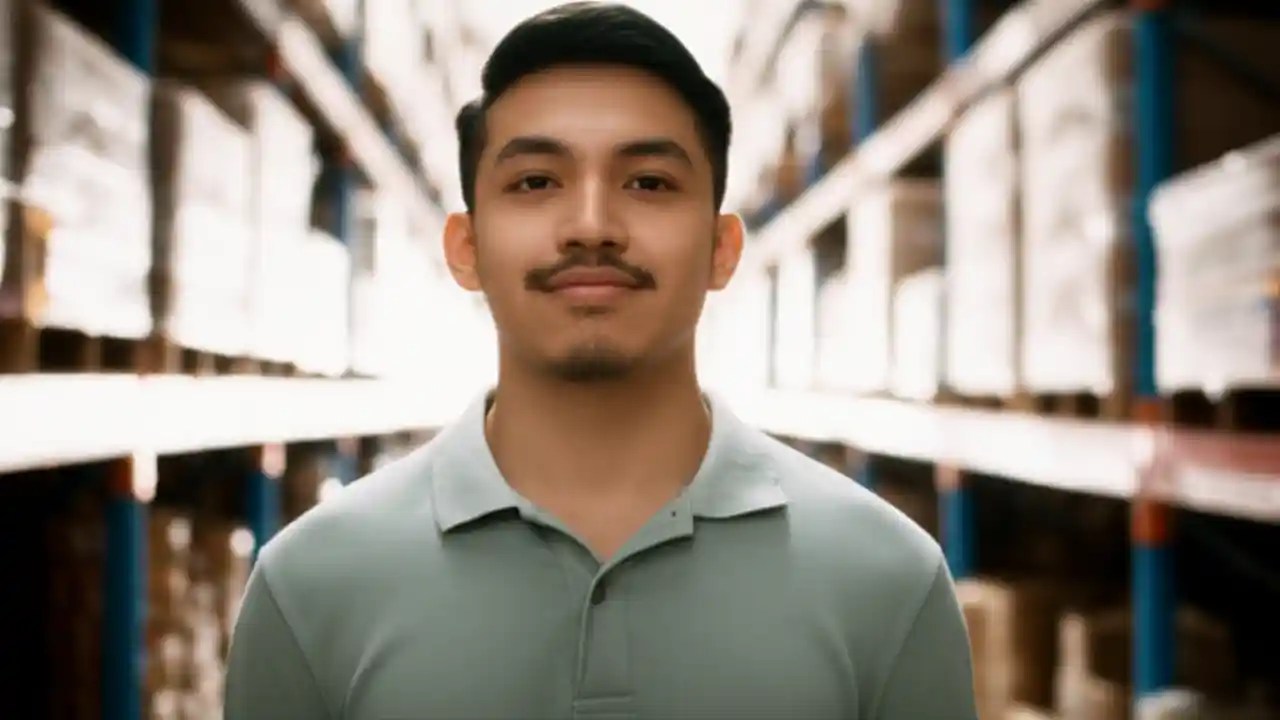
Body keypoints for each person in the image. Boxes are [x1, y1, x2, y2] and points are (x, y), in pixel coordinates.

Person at [223, 3, 977, 718]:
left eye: (648, 182)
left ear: (722, 251)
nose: (591, 225)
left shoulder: (888, 581)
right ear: (466, 249)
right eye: (536, 182)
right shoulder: (309, 586)